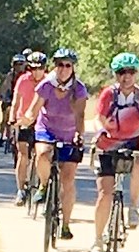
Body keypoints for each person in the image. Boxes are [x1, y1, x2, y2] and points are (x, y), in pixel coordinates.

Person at [89, 53, 139, 252]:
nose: (126, 77)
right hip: (108, 143)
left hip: (132, 142)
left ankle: (134, 208)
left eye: (131, 72)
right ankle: (97, 241)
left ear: (136, 73)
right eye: (121, 72)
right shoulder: (108, 94)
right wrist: (100, 132)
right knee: (105, 193)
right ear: (115, 74)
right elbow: (98, 118)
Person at [21, 48, 89, 239]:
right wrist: (26, 119)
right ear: (55, 66)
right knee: (43, 153)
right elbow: (34, 109)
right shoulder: (46, 85)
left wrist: (79, 134)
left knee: (68, 181)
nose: (63, 69)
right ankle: (43, 185)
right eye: (60, 65)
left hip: (69, 133)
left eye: (68, 65)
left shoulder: (78, 89)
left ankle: (65, 225)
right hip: (47, 129)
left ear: (73, 68)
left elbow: (80, 115)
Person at [9, 51, 47, 200]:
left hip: (41, 122)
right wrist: (12, 118)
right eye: (33, 68)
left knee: (42, 154)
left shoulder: (48, 82)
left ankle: (43, 185)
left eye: (40, 68)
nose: (37, 72)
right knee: (23, 154)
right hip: (23, 120)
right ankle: (20, 190)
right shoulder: (23, 80)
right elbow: (16, 101)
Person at [0, 54, 26, 146]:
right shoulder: (10, 75)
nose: (19, 66)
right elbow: (5, 86)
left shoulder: (27, 76)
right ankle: (3, 136)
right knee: (6, 117)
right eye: (17, 64)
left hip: (23, 98)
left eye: (21, 64)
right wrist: (1, 95)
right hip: (11, 97)